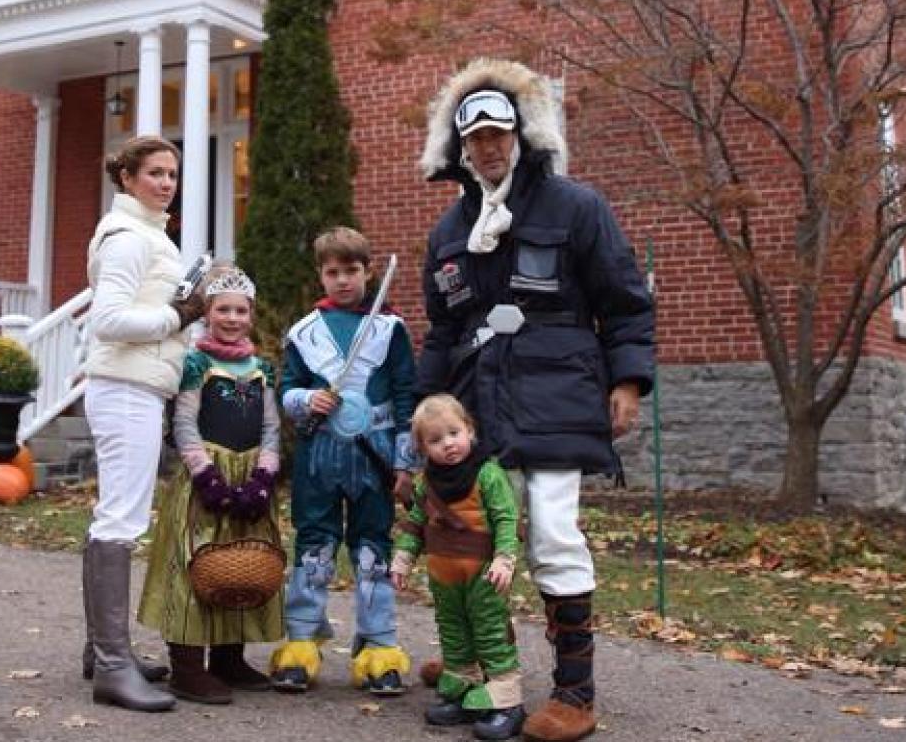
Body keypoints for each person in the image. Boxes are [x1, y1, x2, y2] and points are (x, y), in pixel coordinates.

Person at [416, 59, 654, 742]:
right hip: (476, 399)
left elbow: (624, 301)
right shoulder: (448, 231)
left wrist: (627, 380)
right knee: (465, 534)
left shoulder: (577, 207)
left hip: (560, 392)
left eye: (498, 133)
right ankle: (476, 665)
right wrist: (423, 410)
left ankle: (575, 692)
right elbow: (443, 330)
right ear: (460, 147)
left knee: (551, 534)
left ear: (521, 133)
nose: (488, 147)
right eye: (475, 138)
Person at [78, 134, 205, 713]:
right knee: (120, 518)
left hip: (136, 385)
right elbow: (108, 319)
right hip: (125, 387)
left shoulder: (149, 234)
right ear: (126, 178)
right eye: (154, 172)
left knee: (115, 513)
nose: (166, 183)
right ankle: (111, 665)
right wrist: (176, 315)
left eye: (172, 174)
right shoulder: (129, 236)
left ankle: (102, 652)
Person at [270, 227, 418, 695]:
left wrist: (404, 463)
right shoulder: (305, 331)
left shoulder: (390, 329)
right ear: (321, 274)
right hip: (320, 454)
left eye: (351, 270)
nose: (342, 280)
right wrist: (306, 399)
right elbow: (287, 388)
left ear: (368, 272)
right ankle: (301, 641)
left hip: (374, 453)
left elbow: (405, 395)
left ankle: (379, 645)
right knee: (313, 544)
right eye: (333, 271)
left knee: (372, 547)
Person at [137, 263, 285, 703]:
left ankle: (228, 657)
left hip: (250, 476)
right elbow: (184, 422)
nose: (232, 318)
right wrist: (206, 475)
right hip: (207, 479)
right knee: (195, 563)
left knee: (242, 563)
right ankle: (187, 666)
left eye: (241, 310)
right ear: (208, 313)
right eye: (223, 309)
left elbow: (272, 426)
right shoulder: (197, 363)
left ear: (251, 315)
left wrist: (264, 476)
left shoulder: (262, 368)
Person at [391, 395, 525, 741]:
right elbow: (415, 523)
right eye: (435, 439)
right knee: (453, 632)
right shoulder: (426, 482)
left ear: (469, 430)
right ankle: (464, 684)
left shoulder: (488, 474)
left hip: (484, 574)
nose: (448, 444)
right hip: (444, 576)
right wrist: (403, 558)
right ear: (422, 448)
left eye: (454, 433)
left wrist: (504, 558)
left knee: (490, 631)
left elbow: (506, 519)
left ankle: (507, 700)